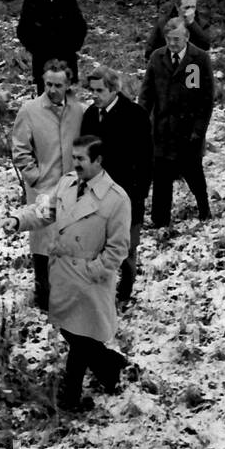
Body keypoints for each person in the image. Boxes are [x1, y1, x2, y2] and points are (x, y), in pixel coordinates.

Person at [4, 135, 130, 411]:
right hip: (62, 272)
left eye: (81, 159)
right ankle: (110, 365)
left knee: (82, 336)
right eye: (74, 158)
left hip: (89, 279)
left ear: (98, 160)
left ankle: (70, 396)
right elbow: (44, 210)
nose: (75, 164)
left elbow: (118, 248)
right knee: (72, 331)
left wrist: (95, 270)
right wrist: (18, 220)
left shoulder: (116, 199)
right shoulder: (67, 183)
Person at [10, 59, 84, 311]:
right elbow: (19, 149)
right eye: (48, 84)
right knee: (42, 245)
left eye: (58, 85)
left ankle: (70, 296)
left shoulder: (78, 110)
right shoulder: (30, 110)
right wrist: (35, 177)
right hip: (43, 189)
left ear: (68, 85)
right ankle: (44, 298)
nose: (52, 90)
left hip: (72, 188)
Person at [80, 64, 152, 307]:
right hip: (97, 193)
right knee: (99, 244)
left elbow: (145, 158)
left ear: (113, 90)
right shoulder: (90, 115)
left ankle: (125, 289)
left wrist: (140, 192)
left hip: (127, 193)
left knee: (126, 246)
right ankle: (102, 288)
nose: (94, 95)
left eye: (99, 90)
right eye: (92, 90)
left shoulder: (135, 115)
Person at [139, 17, 214, 228]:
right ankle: (160, 220)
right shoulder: (157, 57)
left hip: (188, 131)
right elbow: (146, 95)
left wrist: (198, 130)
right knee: (161, 176)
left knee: (193, 173)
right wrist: (143, 122)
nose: (172, 44)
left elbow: (205, 99)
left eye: (177, 39)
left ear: (187, 37)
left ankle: (204, 209)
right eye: (169, 39)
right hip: (162, 130)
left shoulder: (198, 59)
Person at [17, 0, 87, 94]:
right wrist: (36, 49)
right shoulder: (32, 1)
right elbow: (23, 30)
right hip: (43, 59)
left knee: (67, 100)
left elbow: (80, 25)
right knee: (44, 100)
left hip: (66, 57)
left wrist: (74, 46)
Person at [144, 0, 211, 58]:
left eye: (193, 7)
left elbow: (206, 46)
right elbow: (150, 49)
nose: (190, 11)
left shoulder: (202, 24)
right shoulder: (163, 23)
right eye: (186, 8)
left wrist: (192, 24)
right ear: (177, 7)